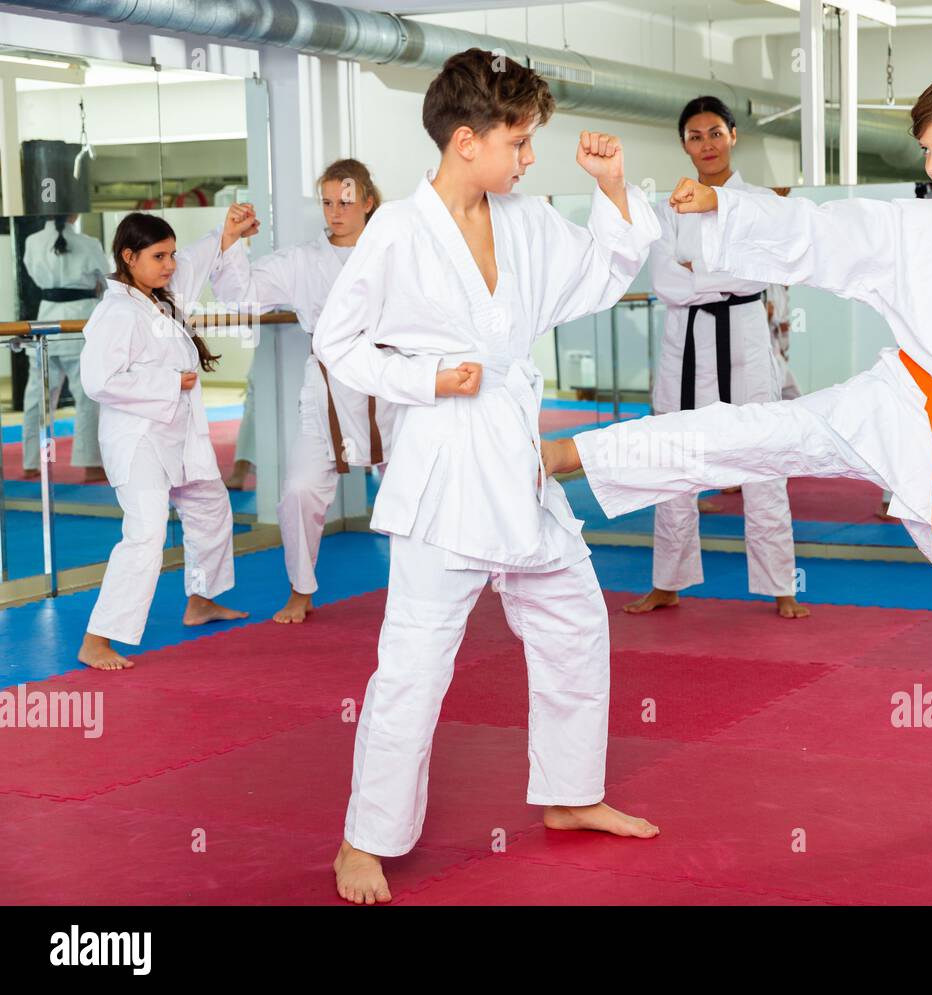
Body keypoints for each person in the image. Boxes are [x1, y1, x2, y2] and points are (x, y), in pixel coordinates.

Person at [544, 63, 932, 848]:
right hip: (898, 405)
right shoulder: (918, 225)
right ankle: (576, 454)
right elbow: (819, 237)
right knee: (756, 432)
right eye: (926, 150)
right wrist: (726, 205)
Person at [312, 49, 661, 905]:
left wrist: (614, 192)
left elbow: (598, 277)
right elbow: (337, 341)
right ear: (466, 140)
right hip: (445, 474)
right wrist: (426, 379)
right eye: (518, 139)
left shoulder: (527, 216)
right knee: (414, 667)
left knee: (577, 624)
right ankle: (365, 840)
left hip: (520, 464)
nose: (528, 155)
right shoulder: (397, 231)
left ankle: (573, 794)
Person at [625, 96, 804, 619]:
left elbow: (756, 273)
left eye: (715, 133)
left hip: (746, 340)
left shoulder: (756, 204)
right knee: (673, 463)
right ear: (684, 144)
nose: (706, 144)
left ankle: (782, 586)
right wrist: (714, 274)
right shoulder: (667, 208)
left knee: (763, 459)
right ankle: (668, 583)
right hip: (686, 345)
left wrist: (696, 273)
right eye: (695, 136)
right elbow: (666, 284)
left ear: (732, 136)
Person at [210, 159, 396, 623]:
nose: (335, 212)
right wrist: (234, 243)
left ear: (368, 202)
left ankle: (427, 589)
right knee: (298, 492)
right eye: (328, 202)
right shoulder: (303, 261)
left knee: (415, 490)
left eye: (346, 201)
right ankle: (301, 588)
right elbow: (241, 295)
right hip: (328, 388)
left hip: (394, 384)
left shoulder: (397, 251)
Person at [76, 208, 256, 671]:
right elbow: (98, 380)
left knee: (211, 507)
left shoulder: (162, 296)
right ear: (128, 256)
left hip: (178, 435)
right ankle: (97, 639)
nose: (171, 264)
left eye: (171, 254)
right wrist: (169, 382)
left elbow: (197, 259)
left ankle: (202, 598)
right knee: (146, 534)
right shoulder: (115, 311)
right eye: (159, 256)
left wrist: (228, 232)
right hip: (139, 442)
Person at [20, 214, 109, 482]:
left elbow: (33, 277)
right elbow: (107, 281)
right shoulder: (88, 243)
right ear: (76, 214)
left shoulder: (33, 241)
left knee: (37, 398)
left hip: (45, 319)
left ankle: (30, 462)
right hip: (79, 323)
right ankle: (91, 464)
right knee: (87, 397)